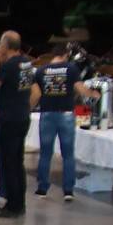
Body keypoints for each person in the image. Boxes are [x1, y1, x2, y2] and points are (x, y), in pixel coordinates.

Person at [34, 45, 87, 201]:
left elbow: (36, 93)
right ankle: (68, 191)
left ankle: (42, 189)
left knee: (45, 153)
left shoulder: (41, 70)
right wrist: (94, 94)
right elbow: (80, 89)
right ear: (65, 55)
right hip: (66, 114)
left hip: (47, 114)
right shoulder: (71, 69)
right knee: (68, 154)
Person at [0, 31, 35, 217]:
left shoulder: (8, 66)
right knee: (18, 161)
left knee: (8, 162)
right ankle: (20, 202)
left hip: (8, 118)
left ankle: (12, 205)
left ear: (6, 45)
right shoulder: (26, 63)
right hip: (23, 115)